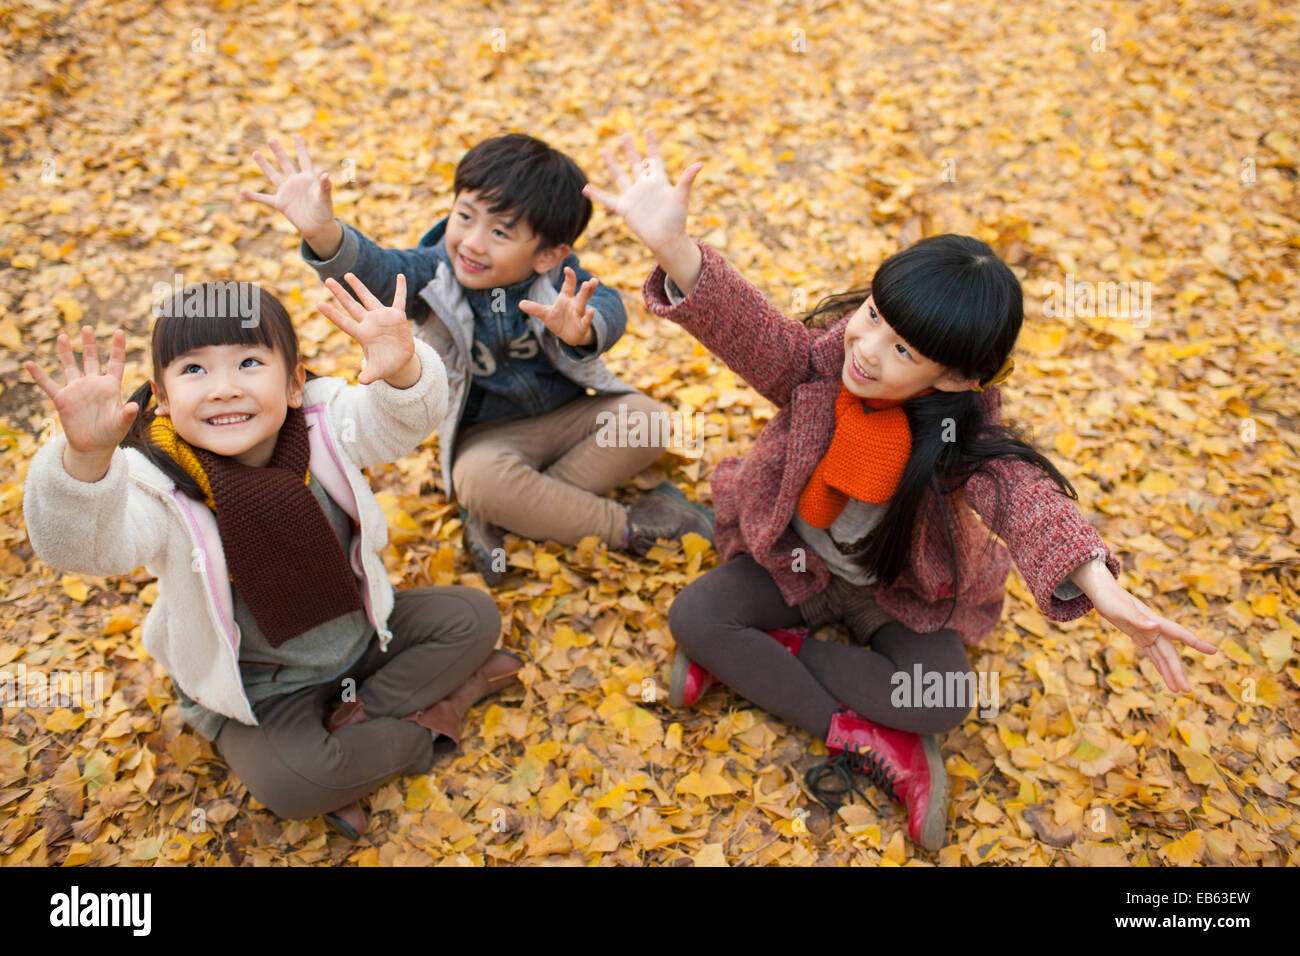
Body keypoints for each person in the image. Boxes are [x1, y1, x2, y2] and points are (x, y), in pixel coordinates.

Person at [584, 131, 1218, 851]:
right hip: (798, 562)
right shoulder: (816, 366)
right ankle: (853, 735)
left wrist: (1098, 584)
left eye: (904, 350)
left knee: (943, 700)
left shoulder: (958, 440)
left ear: (953, 378)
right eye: (876, 317)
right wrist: (674, 248)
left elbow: (1023, 497)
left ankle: (762, 658)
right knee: (696, 615)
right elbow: (745, 325)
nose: (868, 348)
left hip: (894, 594)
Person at [23, 274, 521, 841]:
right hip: (258, 684)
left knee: (474, 618)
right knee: (294, 787)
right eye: (194, 370)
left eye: (249, 363)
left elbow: (399, 422)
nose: (224, 388)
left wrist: (405, 371)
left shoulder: (323, 424)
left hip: (358, 639)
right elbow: (87, 546)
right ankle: (432, 720)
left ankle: (351, 727)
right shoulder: (154, 484)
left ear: (293, 383)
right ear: (160, 401)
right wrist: (85, 462)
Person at [242, 132, 714, 585]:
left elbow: (607, 303)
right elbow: (378, 271)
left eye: (500, 233)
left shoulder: (557, 282)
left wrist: (584, 327)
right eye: (465, 216)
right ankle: (632, 526)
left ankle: (512, 513)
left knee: (649, 420)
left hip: (570, 417)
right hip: (488, 441)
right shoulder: (432, 275)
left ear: (548, 255)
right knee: (481, 482)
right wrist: (325, 233)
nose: (472, 242)